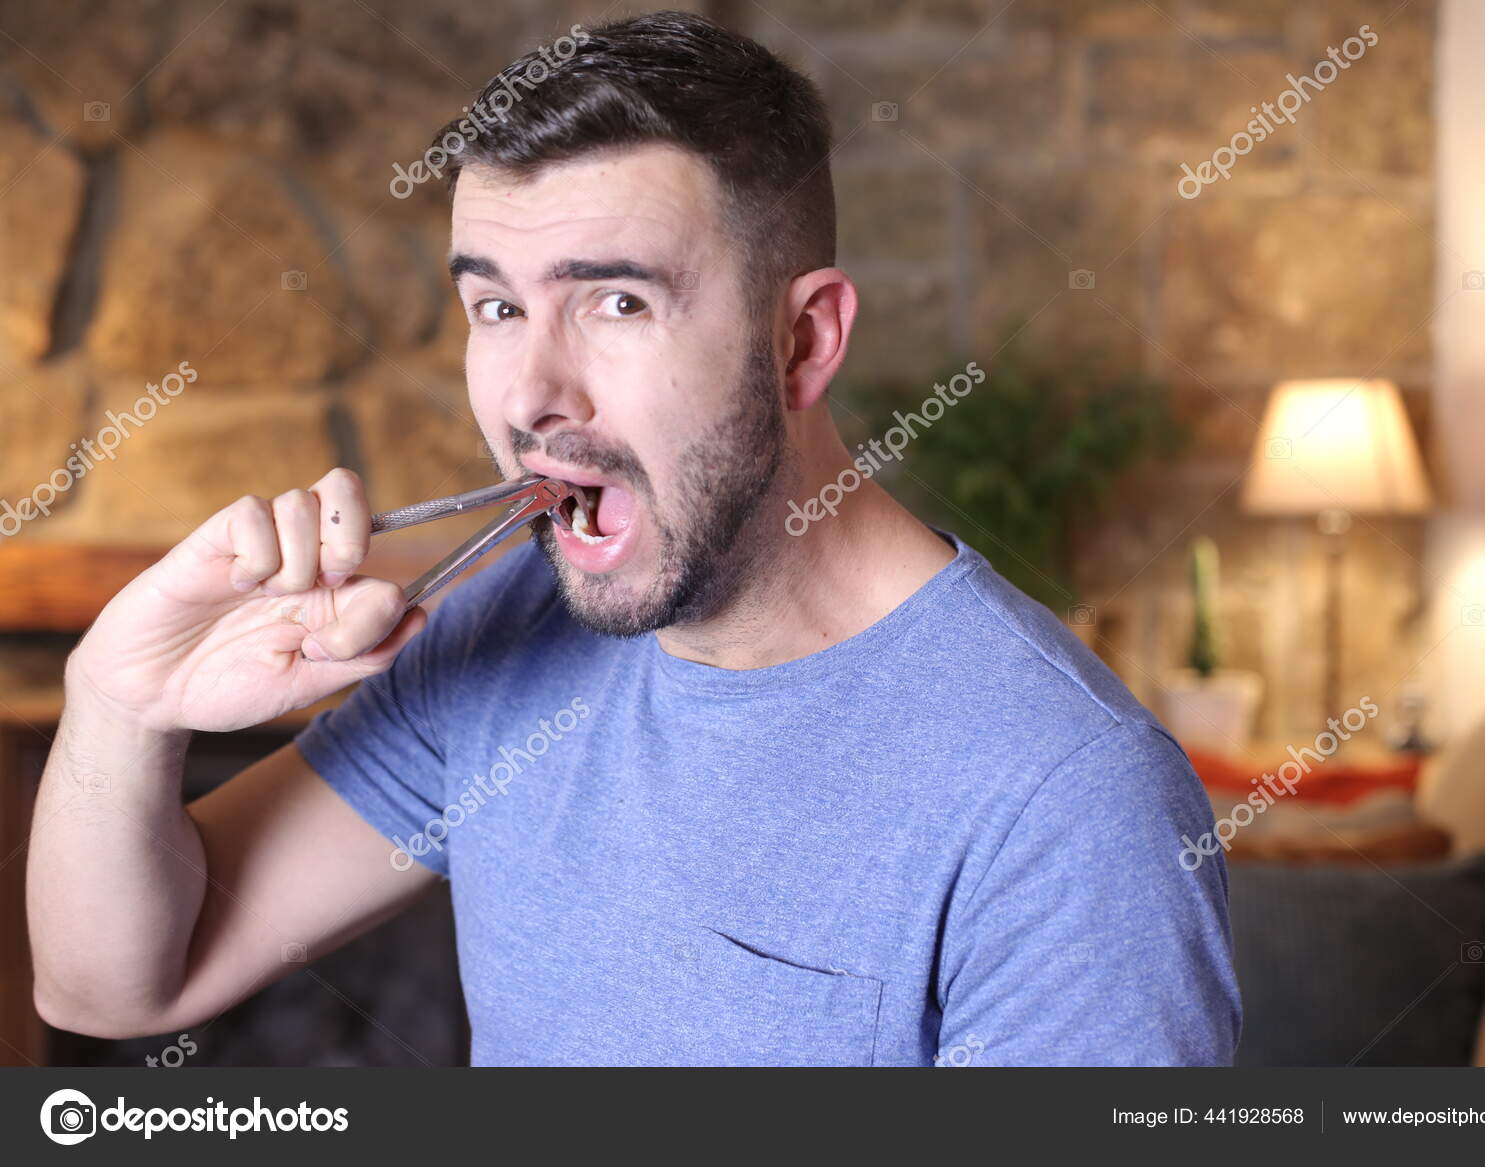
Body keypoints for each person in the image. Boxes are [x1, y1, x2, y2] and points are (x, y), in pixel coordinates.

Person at [27, 10, 1240, 1066]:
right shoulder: (507, 627)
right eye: (497, 305)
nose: (531, 393)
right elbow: (114, 986)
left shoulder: (1069, 800)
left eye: (617, 301)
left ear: (804, 342)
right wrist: (118, 703)